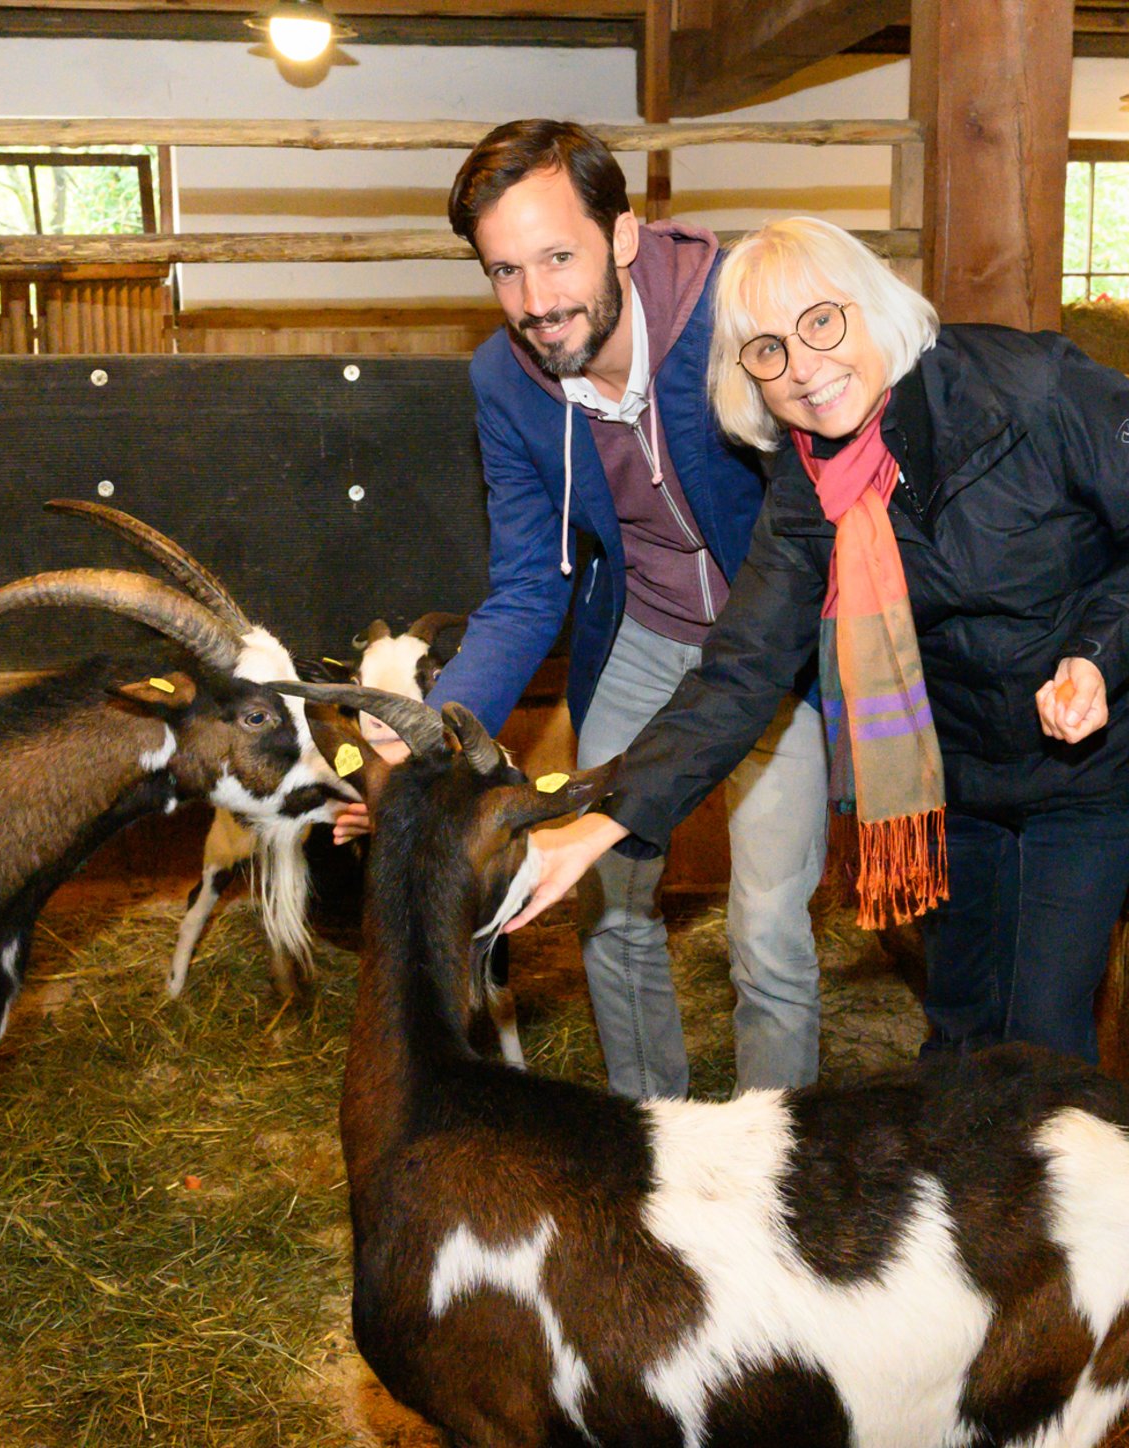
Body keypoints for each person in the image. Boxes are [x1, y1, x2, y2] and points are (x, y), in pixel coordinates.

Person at [509, 217, 1129, 1065]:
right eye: (768, 350)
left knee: (1040, 1035)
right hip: (950, 763)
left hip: (1089, 755)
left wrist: (1099, 654)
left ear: (873, 305)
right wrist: (601, 819)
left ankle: (1047, 1192)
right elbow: (738, 676)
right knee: (960, 1017)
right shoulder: (809, 487)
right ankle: (960, 1193)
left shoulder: (1035, 389)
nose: (805, 369)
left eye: (821, 322)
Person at [343, 120, 830, 1100]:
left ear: (621, 235)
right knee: (602, 897)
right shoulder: (501, 380)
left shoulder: (736, 317)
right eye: (504, 271)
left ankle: (780, 1162)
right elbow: (529, 583)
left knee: (766, 929)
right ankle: (651, 1142)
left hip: (773, 654)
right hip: (647, 635)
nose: (534, 300)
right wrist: (432, 734)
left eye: (557, 256)